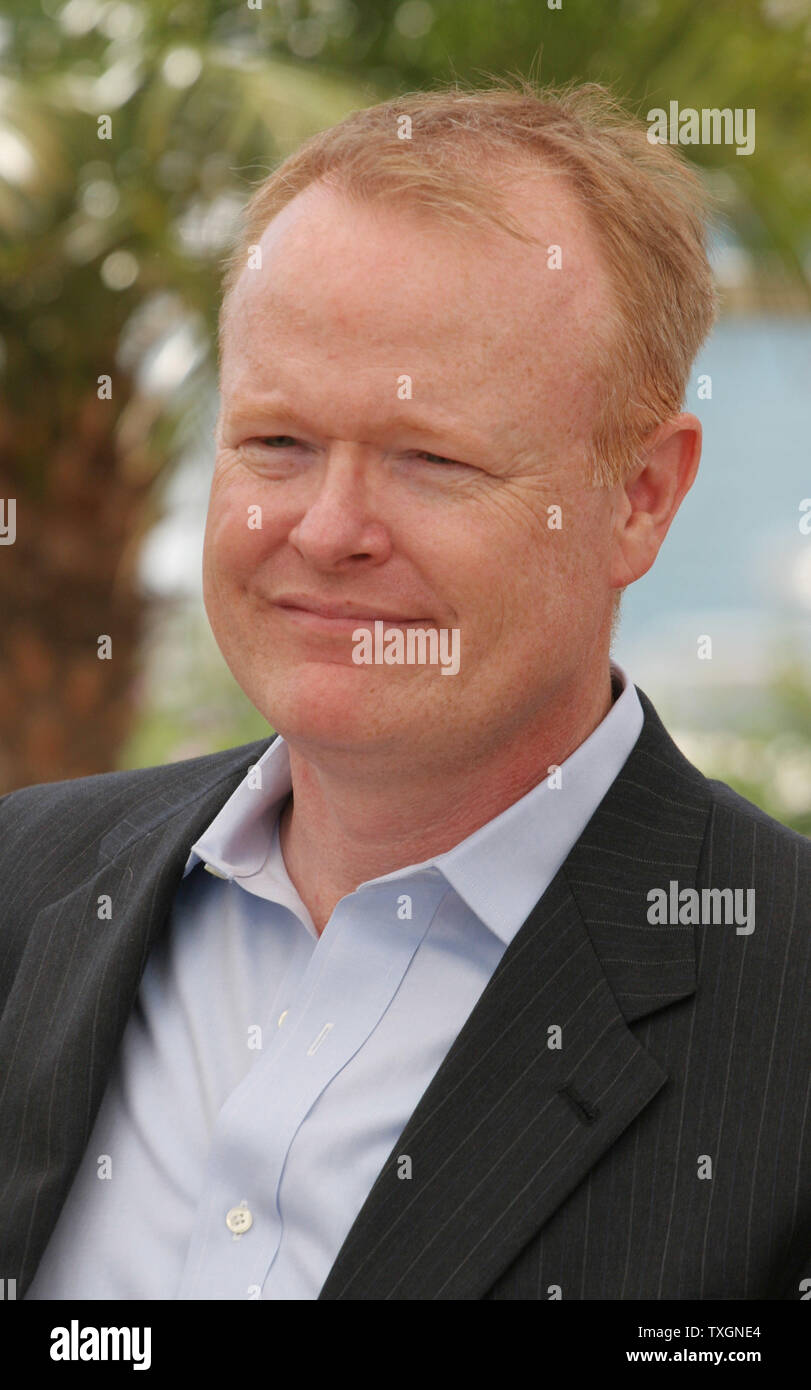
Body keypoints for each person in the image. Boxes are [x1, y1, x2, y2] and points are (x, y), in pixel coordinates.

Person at [2, 79, 808, 1301]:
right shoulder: (28, 885)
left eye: (430, 460)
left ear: (640, 497)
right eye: (276, 442)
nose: (327, 531)